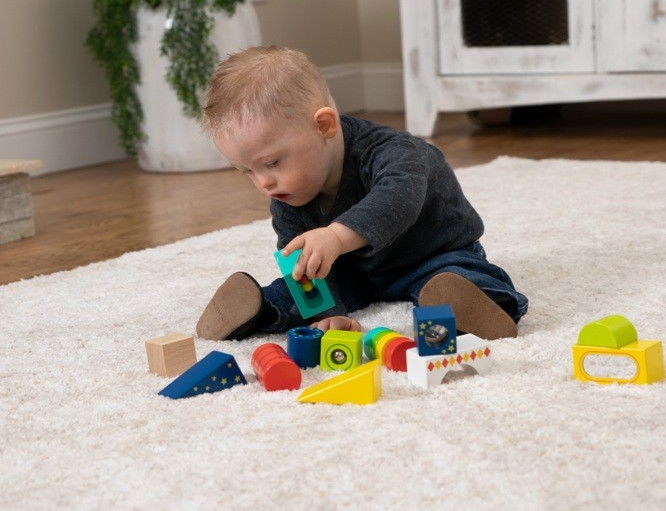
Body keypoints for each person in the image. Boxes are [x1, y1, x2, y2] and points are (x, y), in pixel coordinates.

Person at [196, 46, 528, 342]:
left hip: (430, 255)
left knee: (458, 275)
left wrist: (335, 238)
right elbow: (301, 263)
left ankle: (476, 303)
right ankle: (259, 309)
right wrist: (327, 315)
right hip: (355, 271)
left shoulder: (397, 151)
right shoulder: (288, 194)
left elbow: (397, 201)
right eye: (248, 171)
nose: (263, 184)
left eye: (271, 163)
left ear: (324, 125)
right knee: (301, 288)